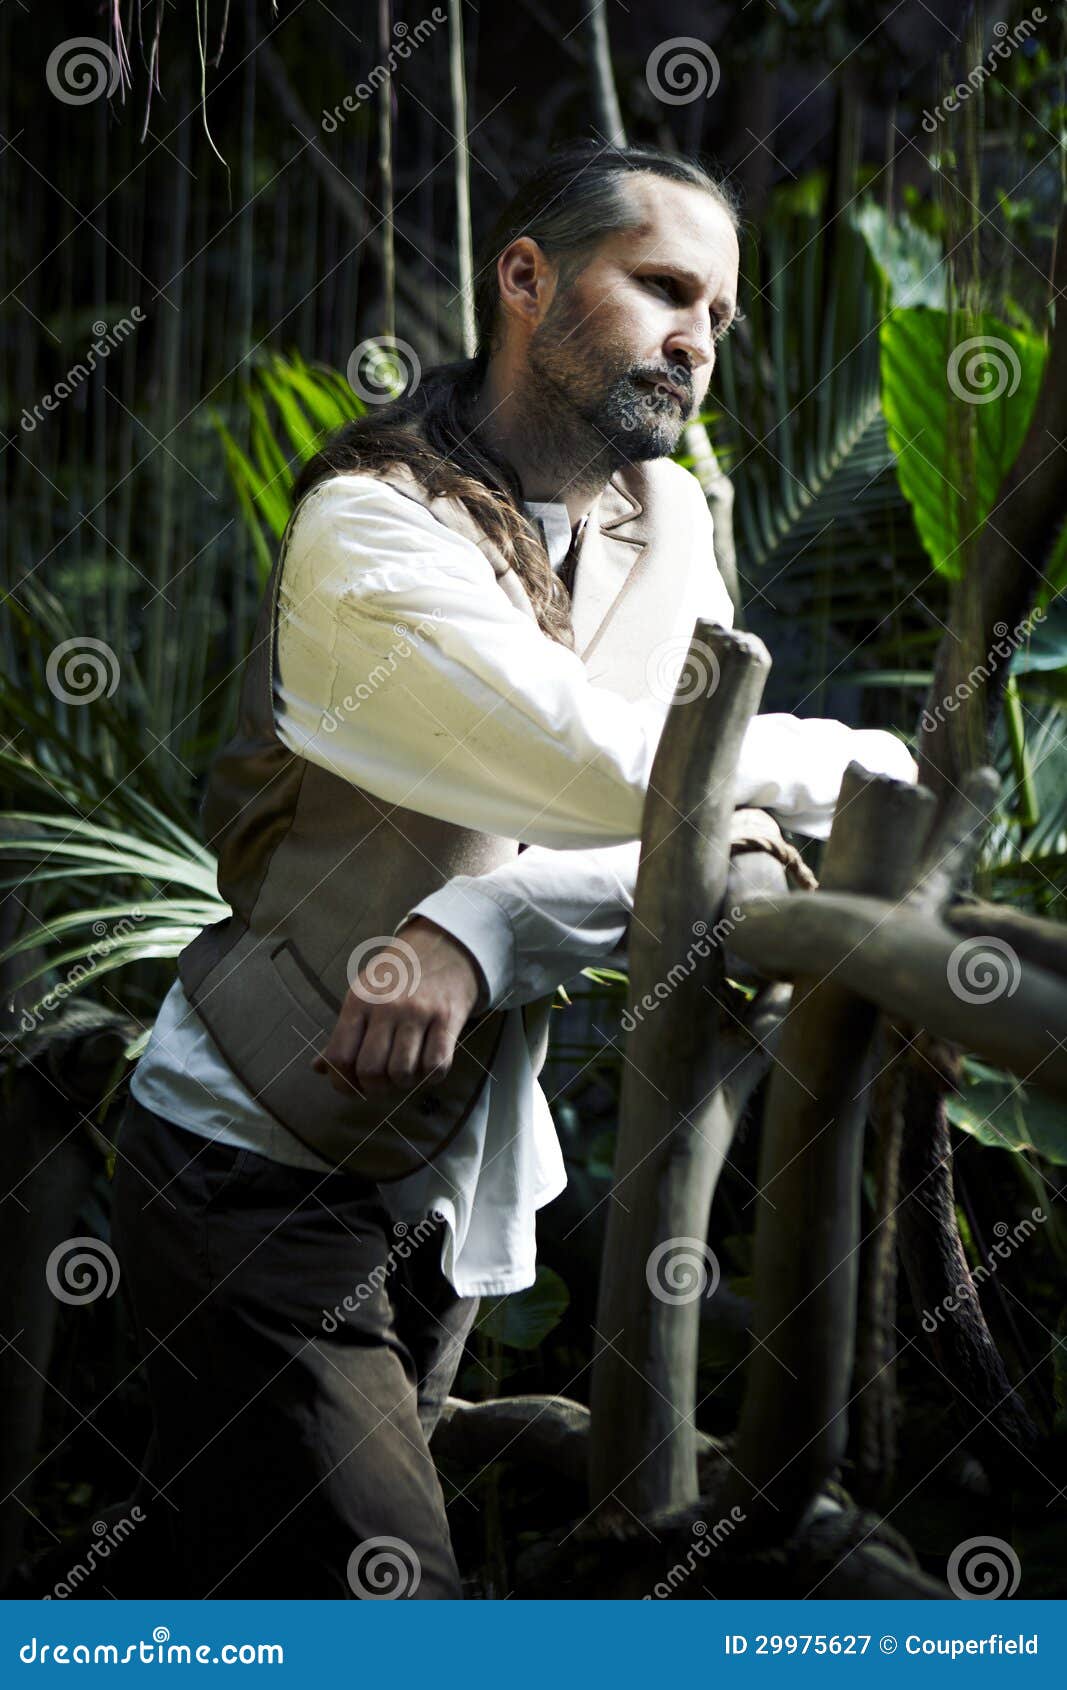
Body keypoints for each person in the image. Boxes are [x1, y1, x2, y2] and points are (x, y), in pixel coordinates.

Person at [110, 140, 918, 1600]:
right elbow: (617, 772)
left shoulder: (664, 522)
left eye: (720, 314)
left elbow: (697, 833)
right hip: (256, 1163)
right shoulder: (371, 527)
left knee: (271, 1586)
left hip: (447, 1185)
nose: (697, 337)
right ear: (527, 278)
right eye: (663, 286)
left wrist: (486, 915)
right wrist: (869, 765)